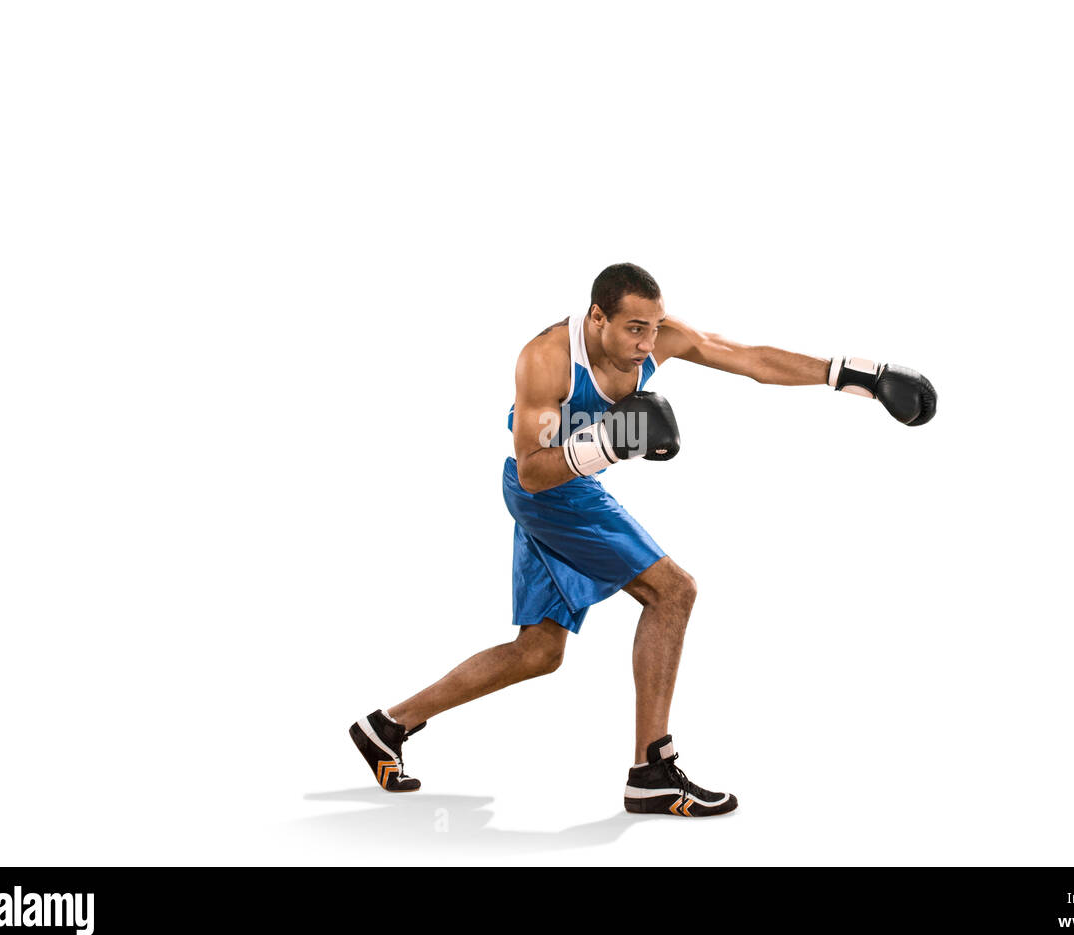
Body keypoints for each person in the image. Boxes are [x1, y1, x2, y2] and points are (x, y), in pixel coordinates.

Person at [350, 263, 937, 817]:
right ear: (597, 317)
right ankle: (652, 773)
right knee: (673, 592)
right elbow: (531, 470)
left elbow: (748, 358)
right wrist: (609, 442)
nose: (647, 342)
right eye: (635, 328)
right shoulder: (547, 358)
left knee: (539, 652)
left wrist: (853, 374)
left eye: (654, 327)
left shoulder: (657, 338)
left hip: (567, 491)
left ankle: (388, 725)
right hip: (547, 494)